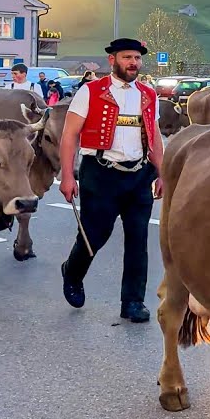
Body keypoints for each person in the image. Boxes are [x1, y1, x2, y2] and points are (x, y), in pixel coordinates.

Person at [58, 37, 164, 323]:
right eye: (127, 57)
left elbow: (153, 135)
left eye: (137, 58)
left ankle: (132, 302)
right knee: (95, 234)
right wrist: (67, 176)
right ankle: (72, 272)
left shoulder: (148, 94)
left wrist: (162, 173)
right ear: (112, 60)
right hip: (100, 173)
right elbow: (69, 135)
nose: (133, 63)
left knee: (138, 239)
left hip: (139, 174)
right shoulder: (90, 91)